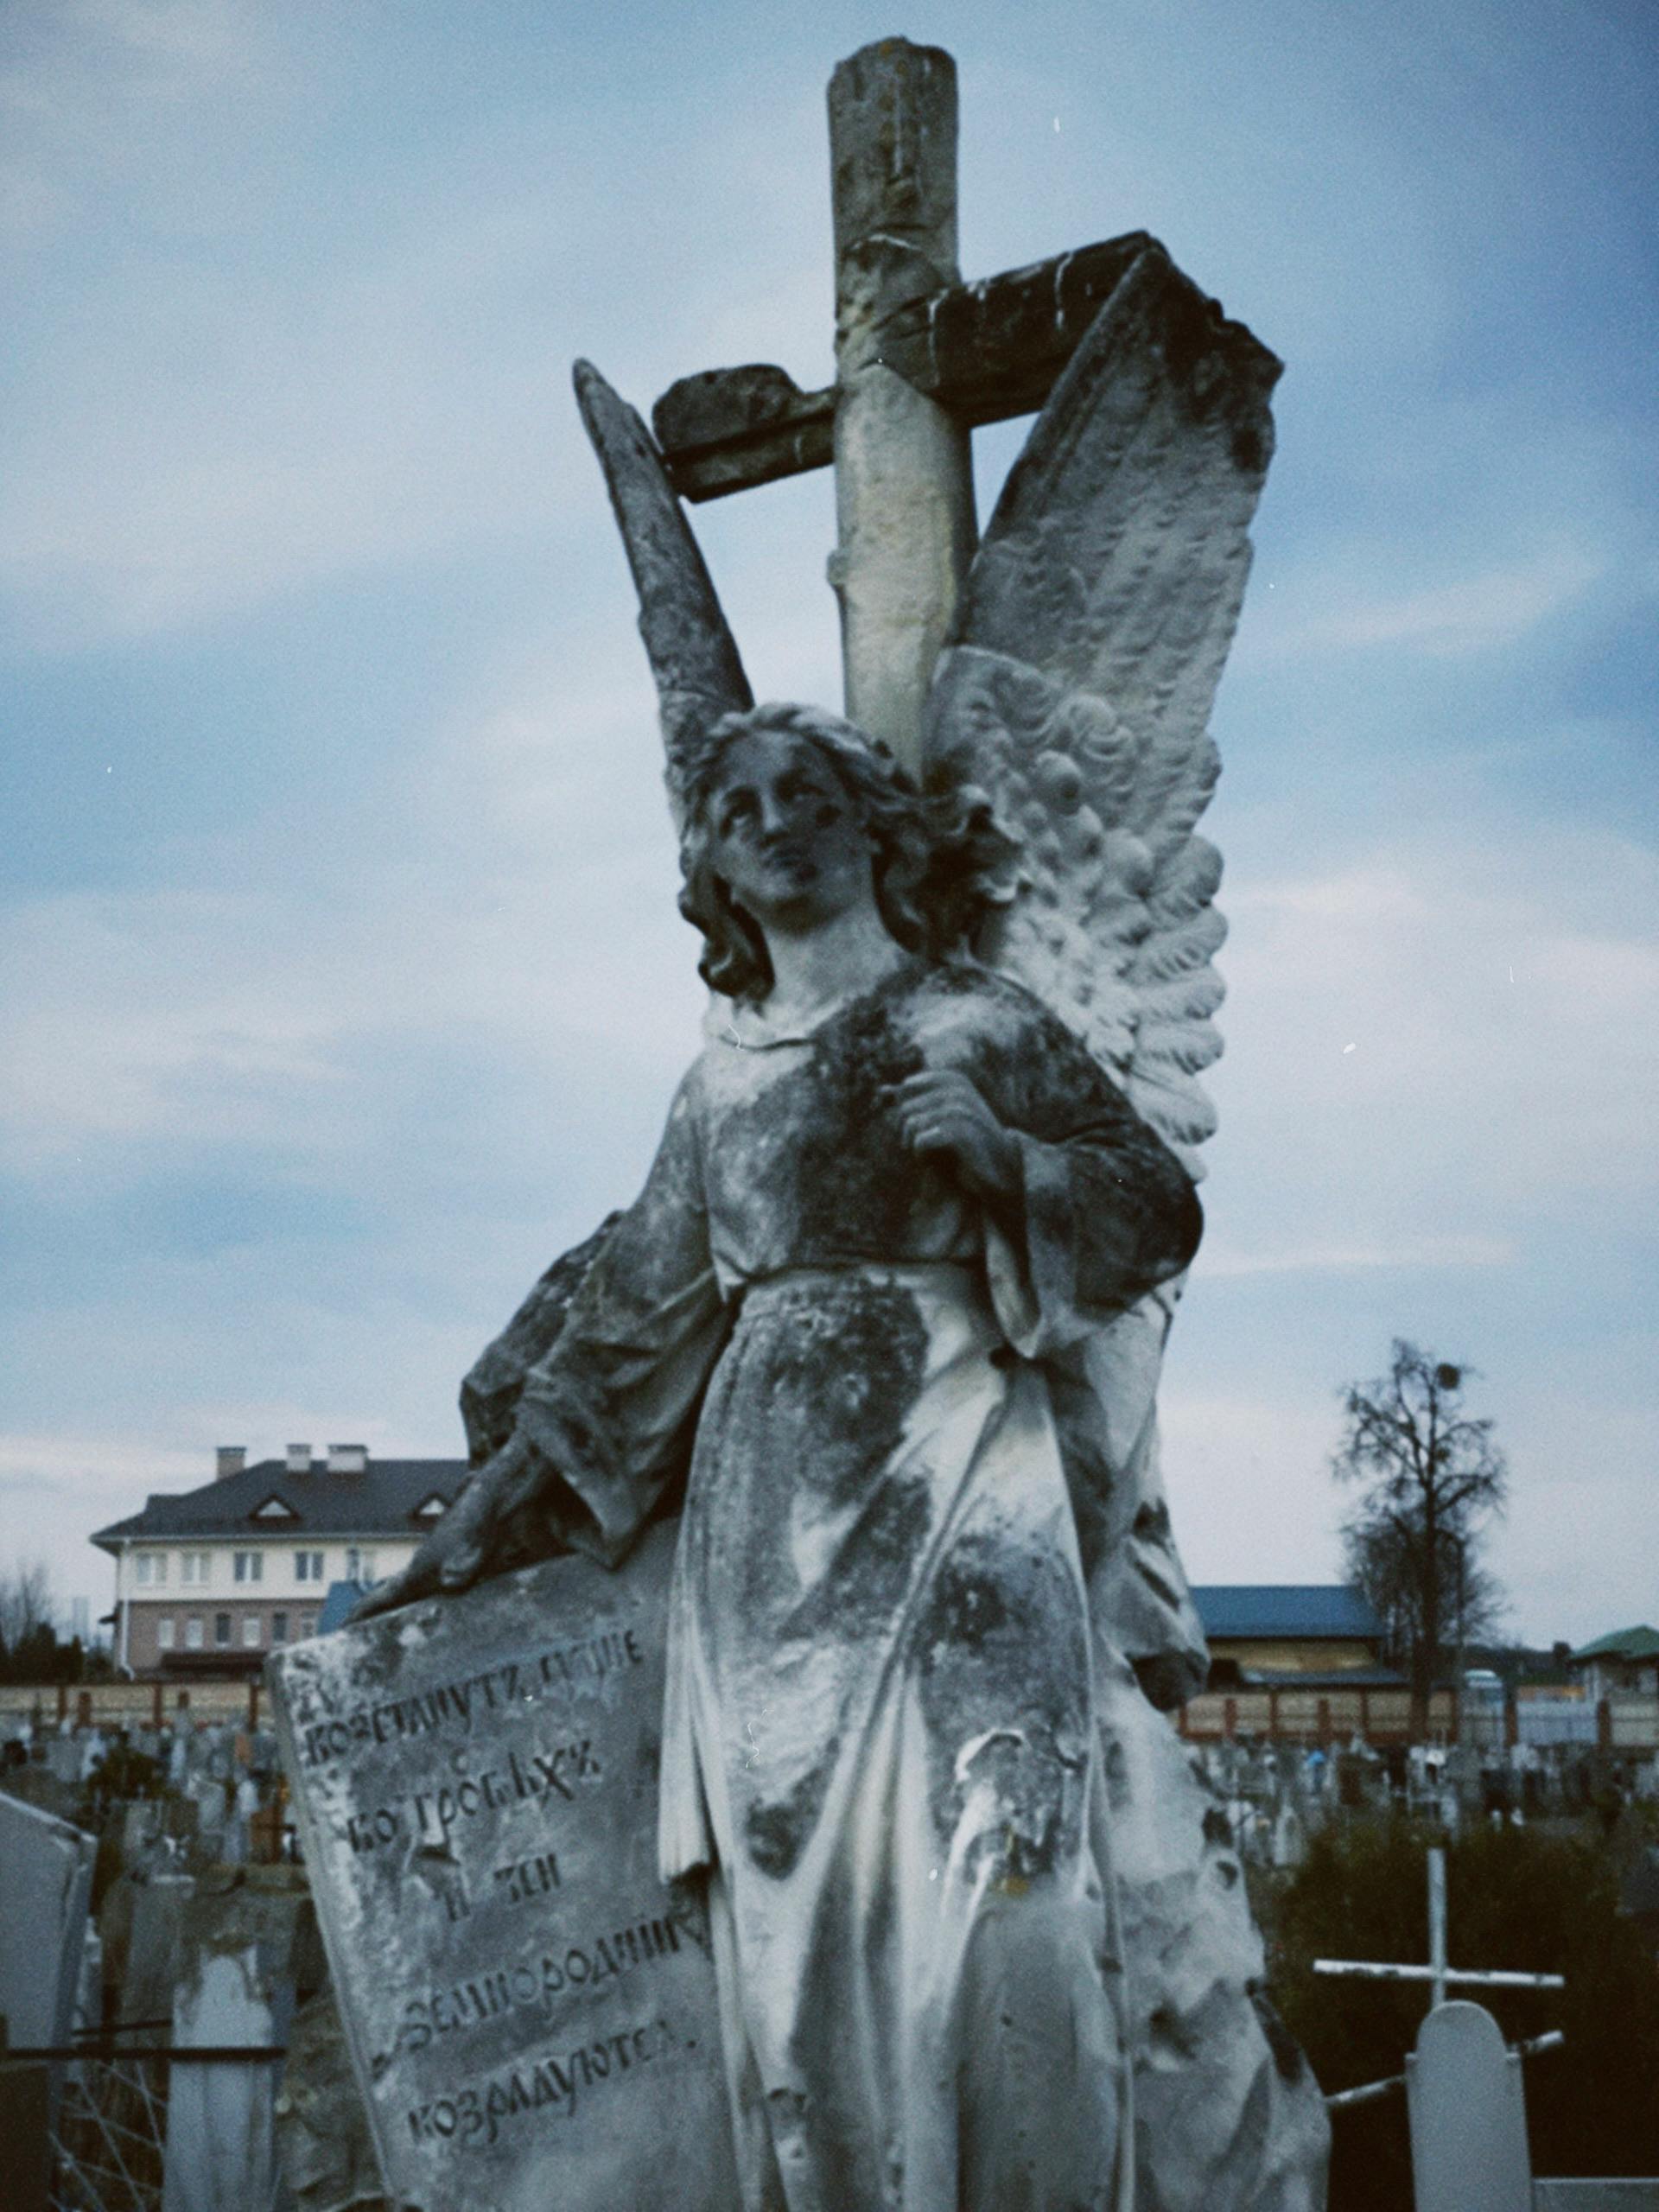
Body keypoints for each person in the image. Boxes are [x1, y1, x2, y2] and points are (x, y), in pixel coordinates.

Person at [365, 701, 1205, 2211]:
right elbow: (619, 1351)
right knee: (790, 1927)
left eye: (804, 789)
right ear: (714, 877)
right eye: (735, 807)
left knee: (1007, 1884)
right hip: (770, 1531)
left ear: (873, 826)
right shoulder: (718, 1090)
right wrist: (458, 1543)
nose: (771, 819)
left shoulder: (980, 1024)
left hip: (964, 1474)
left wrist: (1010, 1157)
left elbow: (1156, 1210)